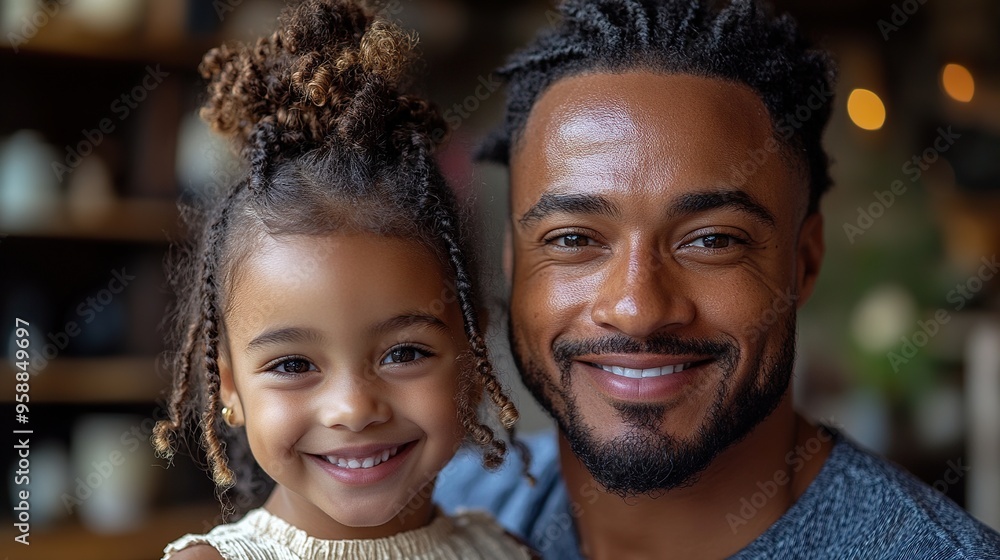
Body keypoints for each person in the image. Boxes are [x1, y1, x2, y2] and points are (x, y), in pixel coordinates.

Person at [434, 0, 1000, 558]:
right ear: (513, 262)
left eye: (711, 241)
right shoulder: (434, 520)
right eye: (574, 240)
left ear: (802, 262)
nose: (638, 308)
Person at [153, 1, 536, 558]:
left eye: (404, 354)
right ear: (231, 388)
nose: (354, 409)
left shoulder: (507, 552)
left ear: (474, 360)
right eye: (293, 365)